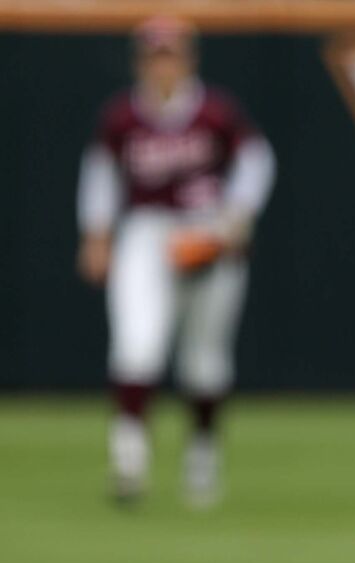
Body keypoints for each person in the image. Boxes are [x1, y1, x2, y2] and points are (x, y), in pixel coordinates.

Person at [76, 15, 275, 505]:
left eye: (171, 55)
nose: (162, 66)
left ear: (189, 58)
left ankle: (202, 456)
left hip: (207, 231)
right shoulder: (122, 116)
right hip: (146, 233)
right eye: (154, 56)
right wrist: (96, 235)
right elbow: (99, 174)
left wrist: (237, 216)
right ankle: (129, 461)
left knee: (205, 358)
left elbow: (256, 160)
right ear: (140, 61)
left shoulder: (216, 112)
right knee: (136, 343)